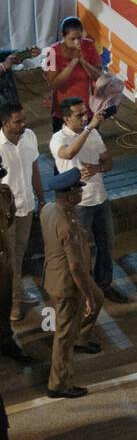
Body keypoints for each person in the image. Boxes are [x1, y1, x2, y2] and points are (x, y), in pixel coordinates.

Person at [51, 98, 126, 304]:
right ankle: (84, 291)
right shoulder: (58, 138)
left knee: (106, 245)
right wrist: (88, 129)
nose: (85, 117)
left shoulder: (93, 133)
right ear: (66, 119)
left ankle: (104, 285)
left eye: (85, 113)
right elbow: (69, 153)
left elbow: (108, 161)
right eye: (79, 115)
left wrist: (98, 169)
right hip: (78, 204)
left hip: (100, 199)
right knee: (80, 252)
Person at [41, 169, 103, 399]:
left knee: (98, 299)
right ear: (68, 197)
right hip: (68, 284)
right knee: (64, 336)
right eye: (78, 190)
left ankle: (81, 337)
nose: (81, 192)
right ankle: (58, 384)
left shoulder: (49, 209)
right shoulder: (67, 223)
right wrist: (86, 294)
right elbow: (75, 267)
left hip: (56, 277)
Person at [0, 103, 44, 319]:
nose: (23, 124)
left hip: (26, 206)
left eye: (23, 120)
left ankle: (16, 293)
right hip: (5, 214)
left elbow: (34, 168)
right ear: (5, 122)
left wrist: (42, 198)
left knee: (19, 253)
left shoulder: (29, 137)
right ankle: (13, 302)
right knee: (9, 258)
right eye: (18, 121)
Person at [0, 166, 36, 366]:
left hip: (3, 260)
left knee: (4, 303)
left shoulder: (5, 192)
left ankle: (6, 340)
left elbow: (10, 218)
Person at [43, 17, 101, 133]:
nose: (77, 42)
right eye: (72, 38)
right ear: (63, 37)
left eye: (79, 37)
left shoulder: (89, 45)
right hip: (64, 111)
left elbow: (98, 76)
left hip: (87, 108)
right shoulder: (52, 52)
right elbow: (53, 84)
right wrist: (73, 62)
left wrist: (83, 62)